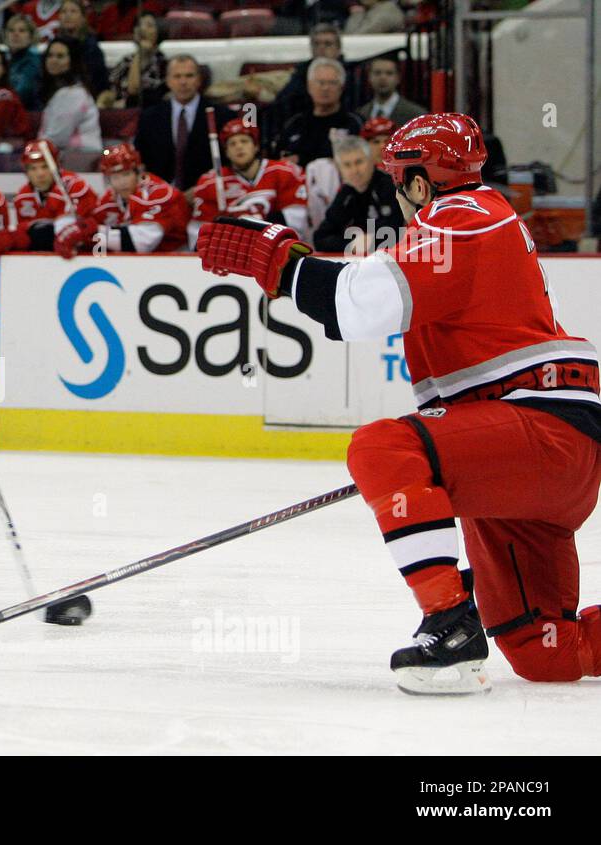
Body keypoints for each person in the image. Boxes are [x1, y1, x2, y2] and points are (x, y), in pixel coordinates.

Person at [195, 113, 601, 693]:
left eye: (399, 183)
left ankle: (450, 624)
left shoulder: (460, 218)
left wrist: (279, 265)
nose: (398, 198)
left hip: (541, 435)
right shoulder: (489, 219)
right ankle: (468, 615)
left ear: (419, 182)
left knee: (384, 445)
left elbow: (358, 304)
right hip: (538, 460)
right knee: (549, 653)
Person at [190, 118, 309, 246]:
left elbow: (298, 222)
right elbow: (198, 235)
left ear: (256, 146)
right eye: (232, 144)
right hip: (232, 251)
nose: (239, 147)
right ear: (226, 153)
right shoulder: (209, 183)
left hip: (277, 247)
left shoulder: (284, 172)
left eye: (244, 141)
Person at [0, 138, 98, 265]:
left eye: (45, 166)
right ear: (26, 172)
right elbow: (30, 240)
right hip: (44, 263)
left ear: (56, 166)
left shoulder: (76, 187)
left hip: (83, 259)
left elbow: (89, 231)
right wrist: (11, 238)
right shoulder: (23, 197)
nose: (40, 174)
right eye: (33, 169)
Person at [134, 54, 218, 190]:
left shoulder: (219, 115)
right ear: (167, 81)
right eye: (177, 76)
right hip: (160, 196)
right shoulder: (149, 118)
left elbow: (225, 165)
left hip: (206, 194)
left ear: (199, 80)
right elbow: (141, 160)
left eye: (189, 76)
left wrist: (200, 189)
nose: (183, 82)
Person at [90, 143, 188, 255]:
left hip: (176, 259)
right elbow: (98, 249)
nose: (122, 182)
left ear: (138, 173)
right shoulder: (109, 200)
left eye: (126, 174)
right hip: (138, 262)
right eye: (115, 177)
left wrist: (94, 232)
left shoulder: (158, 193)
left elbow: (141, 243)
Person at [312, 135, 403, 254]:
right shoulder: (346, 193)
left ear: (371, 160)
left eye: (359, 162)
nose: (354, 170)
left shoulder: (390, 186)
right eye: (347, 165)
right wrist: (352, 244)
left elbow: (395, 232)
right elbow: (320, 238)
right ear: (339, 169)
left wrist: (370, 241)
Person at [278, 57, 364, 167]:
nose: (325, 88)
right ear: (309, 86)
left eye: (332, 83)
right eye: (320, 82)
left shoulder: (355, 123)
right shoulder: (293, 125)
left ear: (341, 88)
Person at [38, 37, 101, 153]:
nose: (53, 60)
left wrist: (35, 149)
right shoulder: (60, 91)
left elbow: (57, 137)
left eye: (60, 56)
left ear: (72, 61)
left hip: (81, 158)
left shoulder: (73, 93)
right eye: (50, 55)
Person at [108, 12, 167, 109]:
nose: (142, 29)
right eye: (139, 25)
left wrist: (140, 54)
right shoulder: (127, 60)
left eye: (149, 25)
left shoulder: (161, 63)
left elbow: (134, 90)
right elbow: (111, 87)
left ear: (159, 32)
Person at [356, 56, 427, 125]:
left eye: (389, 73)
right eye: (377, 73)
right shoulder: (360, 114)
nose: (383, 78)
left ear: (398, 78)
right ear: (369, 77)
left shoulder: (417, 115)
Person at [4, 13, 43, 110]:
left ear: (31, 36)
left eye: (22, 31)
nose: (15, 34)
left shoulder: (33, 62)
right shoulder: (4, 60)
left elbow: (23, 93)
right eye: (11, 30)